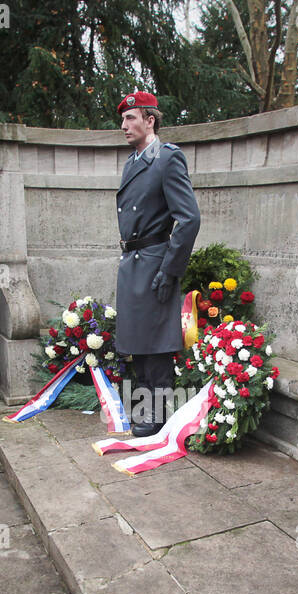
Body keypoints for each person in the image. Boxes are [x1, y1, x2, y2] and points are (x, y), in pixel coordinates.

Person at [114, 91, 200, 436]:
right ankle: (144, 409)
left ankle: (157, 414)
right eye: (122, 119)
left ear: (150, 120)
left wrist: (170, 269)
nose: (124, 125)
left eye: (131, 117)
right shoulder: (133, 162)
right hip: (133, 261)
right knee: (138, 343)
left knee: (156, 345)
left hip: (154, 262)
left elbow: (189, 219)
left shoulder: (167, 159)